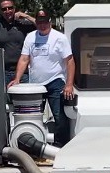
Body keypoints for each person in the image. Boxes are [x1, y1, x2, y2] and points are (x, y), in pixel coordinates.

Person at [9, 9, 76, 147]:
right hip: (36, 84)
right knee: (33, 117)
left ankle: (60, 145)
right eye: (39, 22)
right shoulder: (30, 37)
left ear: (49, 22)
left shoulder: (59, 38)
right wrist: (17, 79)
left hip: (55, 81)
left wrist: (69, 84)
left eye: (45, 22)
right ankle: (36, 145)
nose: (42, 25)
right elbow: (24, 59)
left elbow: (69, 60)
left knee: (59, 117)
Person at [0, 0, 37, 83]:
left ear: (14, 9)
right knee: (3, 96)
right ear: (0, 11)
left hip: (22, 72)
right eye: (4, 9)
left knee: (23, 96)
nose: (7, 11)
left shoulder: (22, 23)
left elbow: (41, 25)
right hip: (3, 72)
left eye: (10, 8)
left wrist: (26, 16)